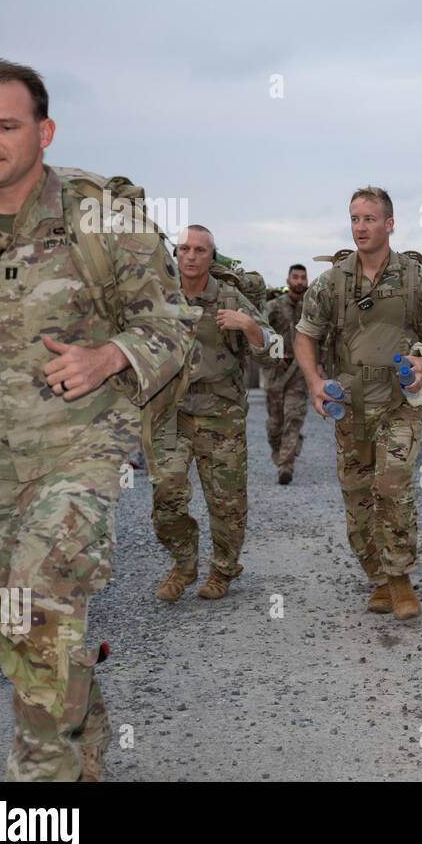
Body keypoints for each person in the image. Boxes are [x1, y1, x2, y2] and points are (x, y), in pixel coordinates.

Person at [0, 59, 194, 779]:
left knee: (38, 609)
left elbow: (172, 328)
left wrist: (108, 355)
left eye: (7, 126)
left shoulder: (100, 216)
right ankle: (83, 757)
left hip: (80, 452)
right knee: (33, 635)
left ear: (43, 132)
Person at [293, 186, 422, 620]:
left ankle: (401, 579)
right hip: (350, 405)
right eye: (354, 219)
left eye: (369, 219)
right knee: (357, 495)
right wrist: (314, 381)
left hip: (399, 402)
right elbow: (305, 335)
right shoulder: (332, 283)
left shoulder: (418, 279)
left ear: (389, 223)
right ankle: (378, 577)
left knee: (394, 485)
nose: (360, 227)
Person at [150, 225, 277, 601]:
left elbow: (275, 351)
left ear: (211, 257)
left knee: (227, 502)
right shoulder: (158, 295)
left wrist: (251, 327)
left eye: (200, 250)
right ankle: (184, 565)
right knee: (166, 495)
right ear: (175, 255)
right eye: (184, 249)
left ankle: (223, 569)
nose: (190, 256)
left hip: (220, 415)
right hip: (169, 412)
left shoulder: (228, 297)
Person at [264, 263, 311, 484]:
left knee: (294, 418)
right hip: (276, 372)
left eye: (303, 277)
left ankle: (286, 466)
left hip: (300, 371)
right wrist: (272, 354)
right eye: (296, 277)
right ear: (288, 280)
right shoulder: (273, 306)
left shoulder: (312, 310)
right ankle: (281, 451)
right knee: (275, 424)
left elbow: (321, 337)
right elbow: (260, 330)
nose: (299, 281)